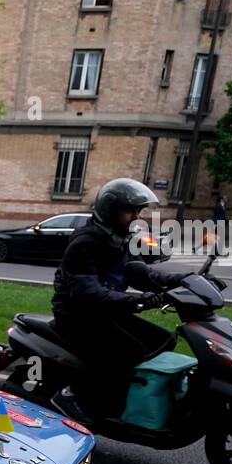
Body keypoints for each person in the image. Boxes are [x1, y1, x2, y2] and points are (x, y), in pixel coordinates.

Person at [51, 177, 193, 419]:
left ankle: (132, 397)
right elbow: (88, 292)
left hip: (106, 311)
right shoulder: (86, 242)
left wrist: (187, 280)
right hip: (77, 314)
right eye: (130, 210)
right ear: (110, 210)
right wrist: (137, 301)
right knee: (128, 351)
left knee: (163, 340)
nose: (136, 216)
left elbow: (142, 274)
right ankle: (74, 394)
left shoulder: (119, 239)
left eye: (138, 210)